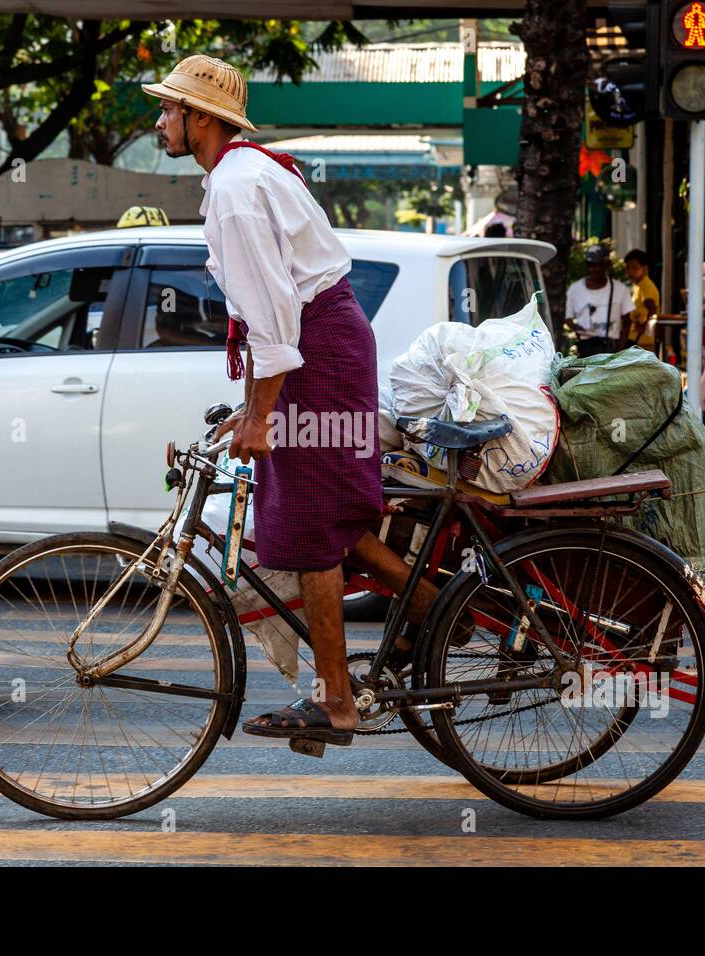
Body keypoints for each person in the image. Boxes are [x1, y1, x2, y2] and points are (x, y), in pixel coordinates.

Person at [143, 55, 444, 745]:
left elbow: (275, 312)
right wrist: (252, 408)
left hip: (320, 354)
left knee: (310, 533)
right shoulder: (242, 173)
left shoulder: (237, 188)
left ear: (202, 119)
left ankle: (336, 704)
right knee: (333, 521)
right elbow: (265, 318)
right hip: (321, 347)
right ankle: (444, 610)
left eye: (168, 110)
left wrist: (262, 410)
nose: (161, 122)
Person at [565, 244, 633, 356]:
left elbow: (627, 322)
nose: (592, 269)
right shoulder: (575, 289)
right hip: (585, 347)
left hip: (611, 347)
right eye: (589, 265)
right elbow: (568, 318)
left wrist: (620, 350)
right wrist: (576, 328)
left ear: (606, 264)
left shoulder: (620, 289)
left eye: (597, 265)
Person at [623, 249, 660, 352]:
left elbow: (652, 309)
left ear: (644, 269)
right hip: (635, 339)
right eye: (628, 268)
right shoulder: (637, 285)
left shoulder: (646, 286)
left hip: (643, 342)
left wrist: (644, 328)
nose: (630, 271)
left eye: (634, 268)